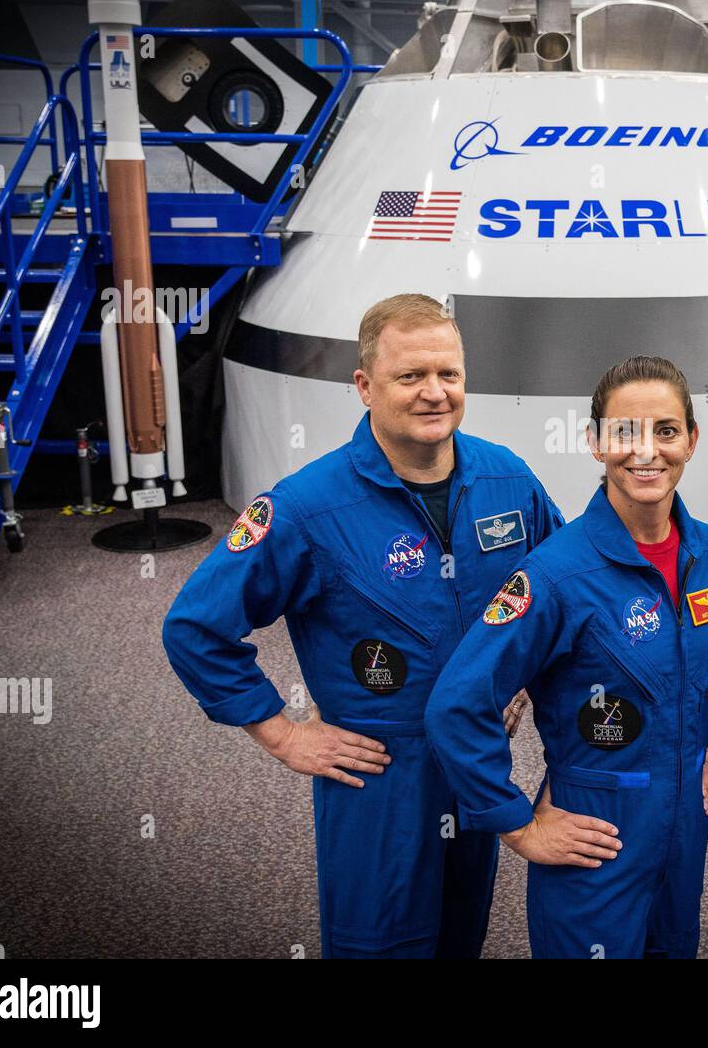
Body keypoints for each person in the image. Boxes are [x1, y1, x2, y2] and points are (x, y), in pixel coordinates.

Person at [162, 293, 563, 958]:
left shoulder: (507, 480)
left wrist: (521, 678)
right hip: (380, 778)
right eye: (411, 376)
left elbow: (559, 597)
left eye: (450, 374)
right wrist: (281, 733)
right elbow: (194, 627)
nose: (435, 392)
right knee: (380, 944)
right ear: (364, 386)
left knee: (462, 934)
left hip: (477, 760)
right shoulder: (305, 508)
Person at [425, 356, 708, 959]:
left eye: (666, 431)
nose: (646, 451)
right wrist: (516, 823)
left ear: (692, 441)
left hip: (684, 826)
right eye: (624, 432)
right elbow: (456, 705)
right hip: (596, 830)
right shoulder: (555, 574)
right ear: (595, 442)